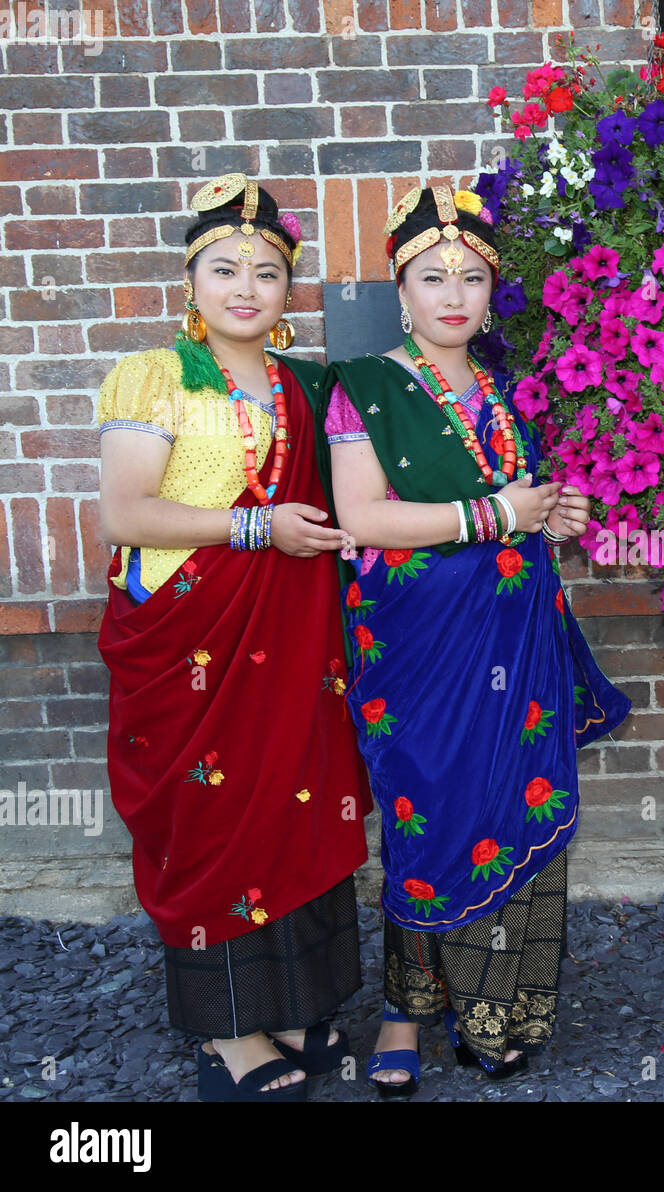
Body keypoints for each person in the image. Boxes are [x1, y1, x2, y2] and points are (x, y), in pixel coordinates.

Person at [318, 184, 630, 1096]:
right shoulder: (364, 389)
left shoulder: (498, 394)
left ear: (490, 295)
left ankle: (502, 1011)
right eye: (430, 277)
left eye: (470, 278)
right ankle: (404, 1012)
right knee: (430, 817)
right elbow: (364, 517)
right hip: (420, 650)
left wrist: (547, 517)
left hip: (510, 643)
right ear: (400, 288)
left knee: (509, 808)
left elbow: (511, 516)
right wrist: (496, 512)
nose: (452, 294)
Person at [96, 174, 372, 1102]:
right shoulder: (157, 375)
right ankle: (231, 1031)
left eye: (266, 271)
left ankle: (299, 1004)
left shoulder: (310, 384)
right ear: (192, 281)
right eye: (224, 269)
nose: (246, 287)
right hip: (193, 639)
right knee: (216, 815)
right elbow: (126, 511)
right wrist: (258, 529)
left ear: (288, 288)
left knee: (295, 797)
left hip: (294, 634)